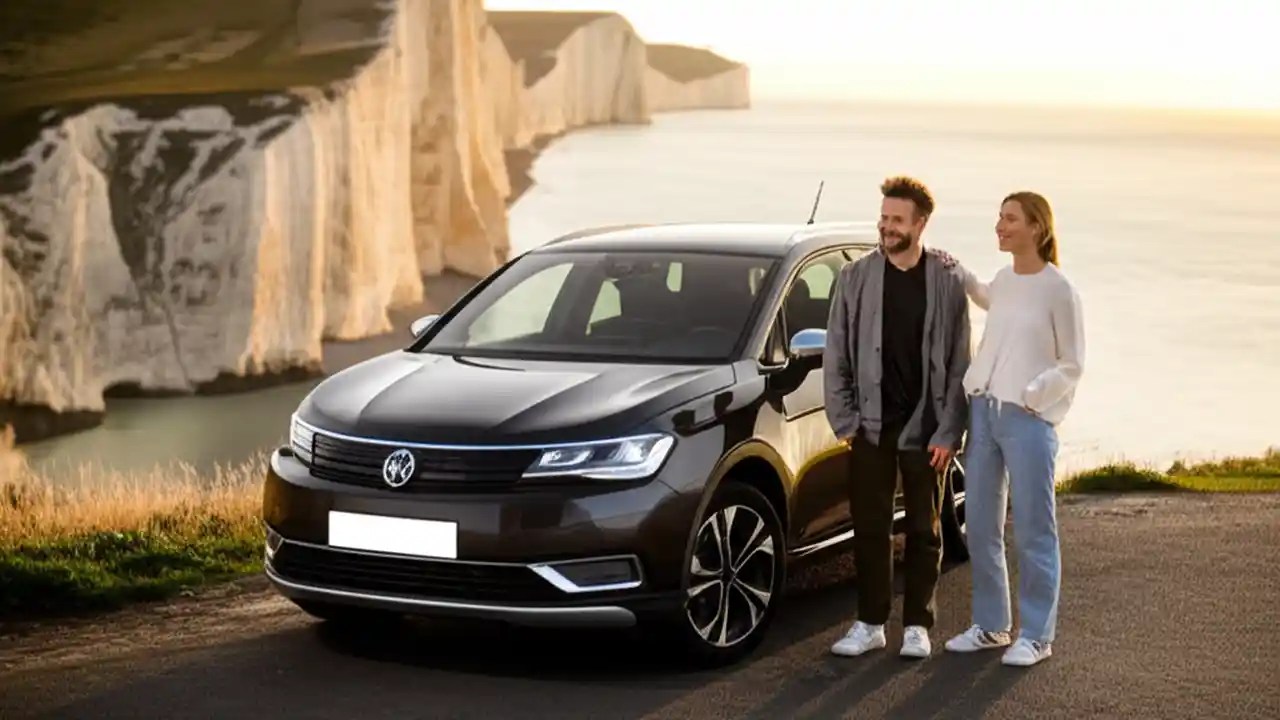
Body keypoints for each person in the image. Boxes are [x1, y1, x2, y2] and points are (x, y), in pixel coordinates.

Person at [823, 176, 972, 660]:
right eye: (883, 218)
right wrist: (844, 421)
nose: (886, 227)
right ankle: (869, 623)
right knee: (870, 527)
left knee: (925, 531)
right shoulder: (855, 278)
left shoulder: (947, 280)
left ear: (920, 224)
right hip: (868, 425)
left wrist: (950, 430)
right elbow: (836, 353)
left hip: (926, 428)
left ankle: (917, 625)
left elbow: (958, 365)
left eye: (896, 220)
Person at [943, 191, 1085, 667]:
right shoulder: (1004, 280)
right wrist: (956, 270)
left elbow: (1072, 363)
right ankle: (991, 626)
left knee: (1033, 530)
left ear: (1036, 229)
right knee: (980, 523)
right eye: (999, 217)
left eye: (1009, 219)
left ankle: (1037, 635)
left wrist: (1034, 393)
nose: (999, 226)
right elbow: (986, 294)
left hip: (1027, 421)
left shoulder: (1058, 289)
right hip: (983, 414)